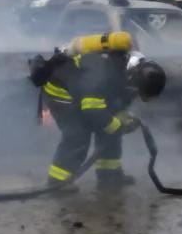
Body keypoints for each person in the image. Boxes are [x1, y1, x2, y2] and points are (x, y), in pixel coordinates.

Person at [32, 32, 167, 189]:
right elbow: (92, 110)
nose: (135, 92)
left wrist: (121, 116)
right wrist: (118, 125)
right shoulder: (102, 71)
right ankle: (57, 181)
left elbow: (118, 98)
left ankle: (109, 175)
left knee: (110, 127)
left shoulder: (125, 70)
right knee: (78, 134)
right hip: (61, 93)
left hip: (86, 94)